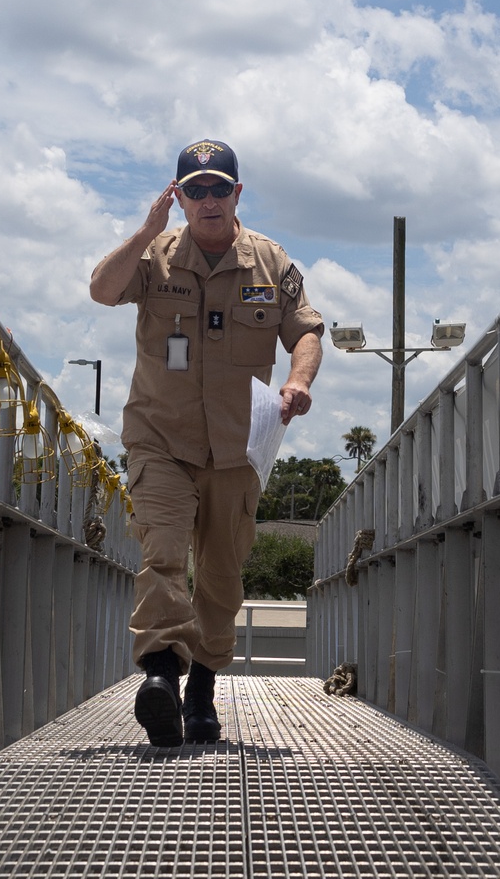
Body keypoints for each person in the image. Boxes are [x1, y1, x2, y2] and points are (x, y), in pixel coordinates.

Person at [90, 139, 324, 746]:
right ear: (179, 197)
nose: (208, 200)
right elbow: (102, 289)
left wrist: (298, 381)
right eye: (195, 190)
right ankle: (162, 675)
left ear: (237, 194)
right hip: (159, 439)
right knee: (162, 553)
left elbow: (306, 331)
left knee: (221, 576)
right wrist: (145, 232)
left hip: (238, 448)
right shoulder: (156, 256)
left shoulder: (271, 263)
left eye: (219, 188)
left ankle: (201, 692)